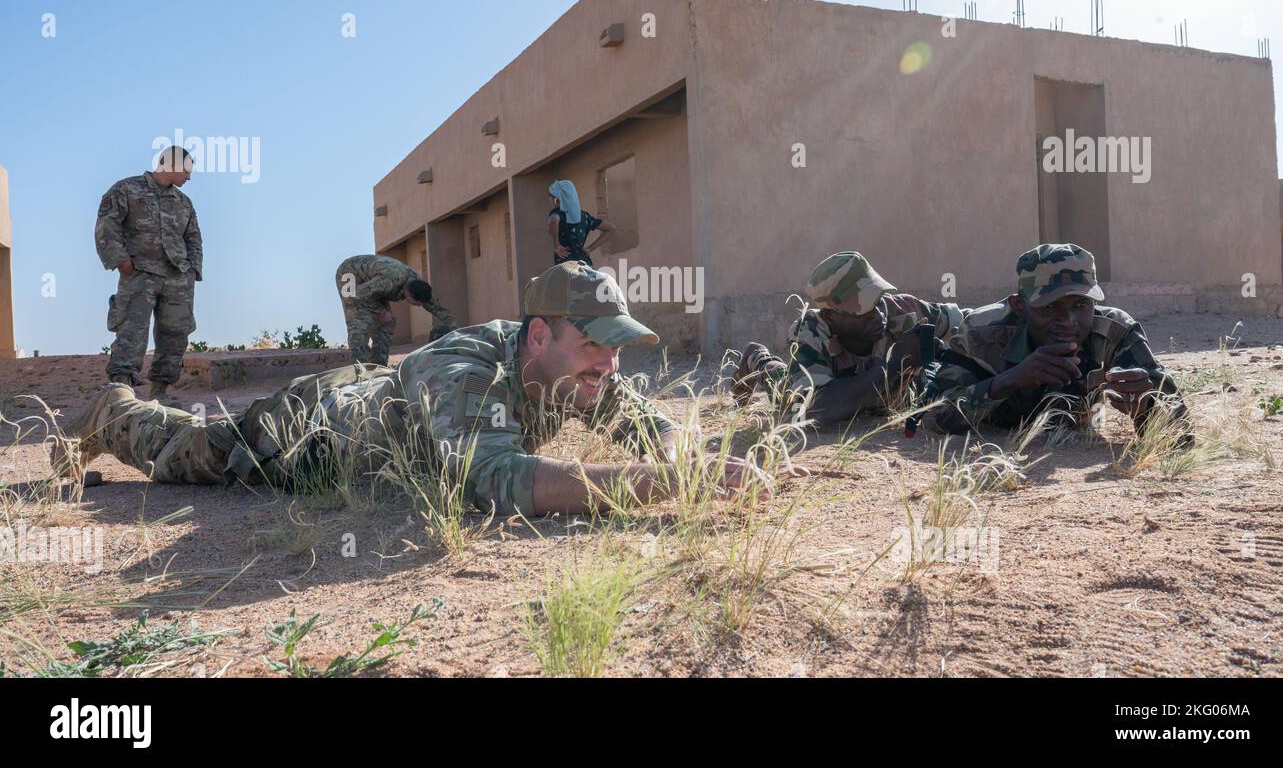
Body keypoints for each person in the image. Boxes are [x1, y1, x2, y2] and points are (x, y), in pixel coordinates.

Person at [51, 263, 769, 517]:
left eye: (615, 349)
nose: (609, 366)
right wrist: (668, 485)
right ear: (540, 336)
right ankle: (115, 410)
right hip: (311, 433)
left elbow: (645, 422)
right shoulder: (464, 368)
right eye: (594, 346)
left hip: (374, 407)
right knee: (183, 457)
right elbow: (498, 480)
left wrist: (684, 452)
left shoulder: (579, 370)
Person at [921, 244, 1189, 438]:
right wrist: (1009, 381)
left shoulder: (1115, 331)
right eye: (1050, 307)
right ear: (1019, 306)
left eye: (1082, 304)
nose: (1068, 320)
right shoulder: (980, 332)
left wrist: (1147, 408)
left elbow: (1181, 435)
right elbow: (934, 419)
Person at [731, 252, 967, 426]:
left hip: (879, 398)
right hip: (818, 383)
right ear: (830, 316)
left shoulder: (903, 308)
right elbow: (812, 410)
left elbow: (966, 321)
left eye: (878, 300)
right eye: (863, 309)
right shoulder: (810, 331)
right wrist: (894, 365)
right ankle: (756, 356)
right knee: (780, 383)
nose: (879, 314)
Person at [95, 146, 203, 402]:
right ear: (173, 165)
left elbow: (194, 237)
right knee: (131, 329)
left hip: (177, 277)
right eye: (187, 171)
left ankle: (160, 392)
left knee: (175, 334)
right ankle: (122, 390)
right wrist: (120, 260)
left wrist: (193, 270)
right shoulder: (126, 189)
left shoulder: (184, 203)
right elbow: (107, 224)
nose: (189, 177)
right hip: (139, 274)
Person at [335, 254, 457, 366]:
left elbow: (436, 307)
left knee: (387, 323)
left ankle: (378, 366)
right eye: (417, 304)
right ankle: (361, 368)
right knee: (360, 323)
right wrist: (381, 311)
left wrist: (456, 329)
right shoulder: (390, 281)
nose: (419, 306)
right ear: (408, 295)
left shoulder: (417, 285)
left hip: (373, 284)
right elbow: (358, 295)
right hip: (350, 275)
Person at [548, 179, 616, 267]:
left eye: (551, 197)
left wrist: (556, 245)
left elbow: (553, 220)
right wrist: (590, 249)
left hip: (566, 265)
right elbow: (611, 228)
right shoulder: (585, 216)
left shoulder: (558, 213)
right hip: (585, 264)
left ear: (557, 199)